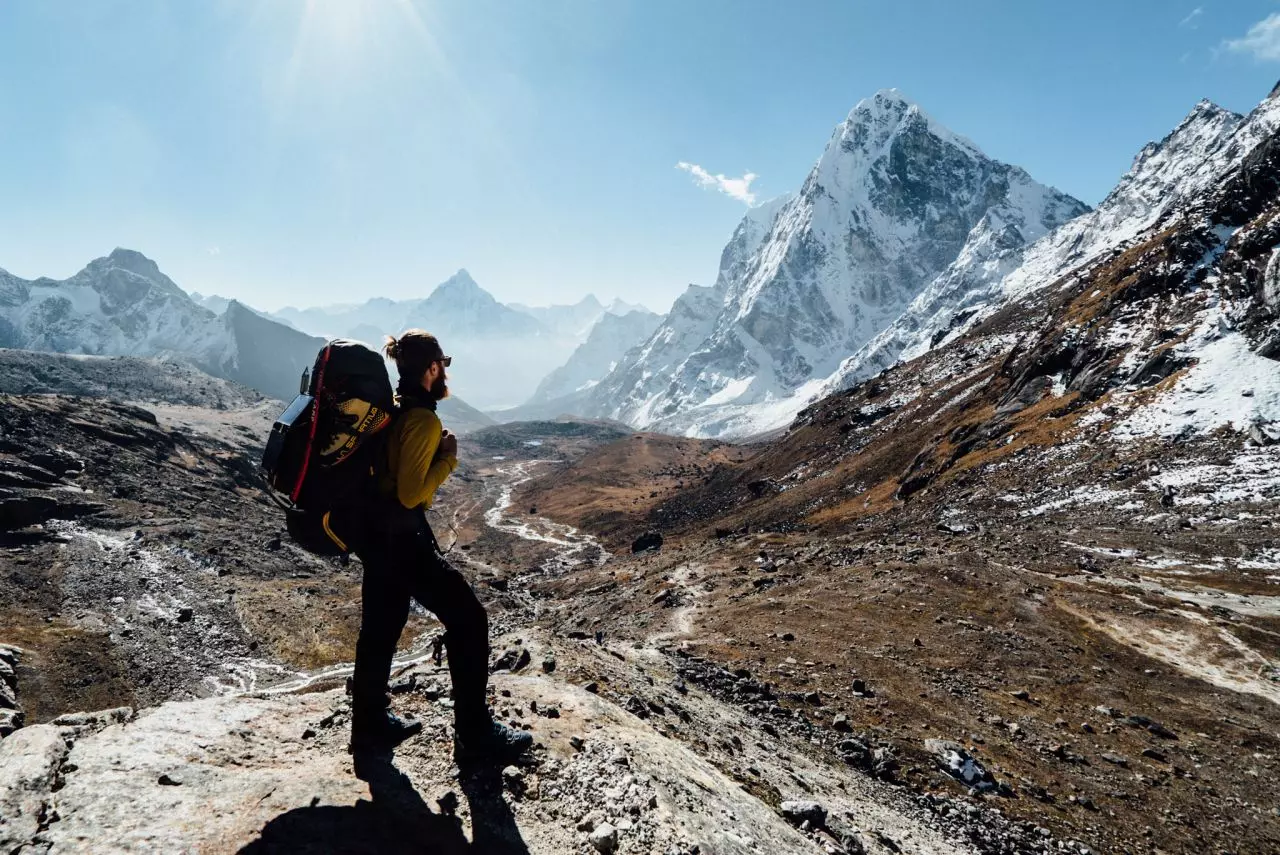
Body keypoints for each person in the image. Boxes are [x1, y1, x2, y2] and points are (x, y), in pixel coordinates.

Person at [348, 329, 532, 763]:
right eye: (442, 365)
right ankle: (474, 734)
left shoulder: (393, 412)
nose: (444, 372)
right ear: (432, 368)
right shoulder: (423, 420)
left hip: (377, 538)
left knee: (380, 630)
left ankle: (369, 725)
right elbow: (412, 494)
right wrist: (447, 458)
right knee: (470, 620)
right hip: (402, 541)